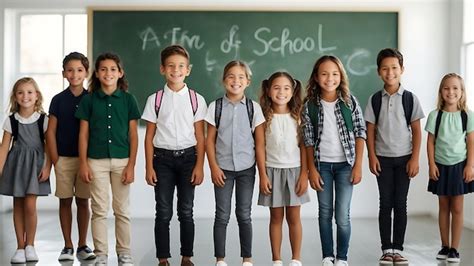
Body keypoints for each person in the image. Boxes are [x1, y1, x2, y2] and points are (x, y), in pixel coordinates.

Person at [142, 44, 207, 266]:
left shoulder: (196, 99)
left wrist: (200, 166)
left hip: (189, 159)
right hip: (162, 161)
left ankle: (186, 256)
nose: (176, 70)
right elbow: (149, 136)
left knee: (186, 210)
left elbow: (201, 135)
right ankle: (163, 258)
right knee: (163, 211)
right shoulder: (155, 99)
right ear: (162, 69)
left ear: (188, 70)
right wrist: (148, 167)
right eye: (171, 66)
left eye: (181, 66)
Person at [75, 52, 141, 266]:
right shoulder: (89, 100)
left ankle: (124, 252)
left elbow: (133, 135)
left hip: (122, 161)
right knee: (99, 209)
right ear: (96, 73)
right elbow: (83, 134)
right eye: (103, 69)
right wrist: (83, 163)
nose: (108, 73)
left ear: (120, 73)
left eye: (113, 69)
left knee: (122, 210)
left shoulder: (129, 100)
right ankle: (101, 253)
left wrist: (131, 165)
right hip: (96, 162)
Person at [301, 55, 366, 266]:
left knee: (342, 215)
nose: (330, 78)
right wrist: (312, 169)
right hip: (322, 167)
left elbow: (360, 132)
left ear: (341, 76)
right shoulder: (310, 105)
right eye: (324, 74)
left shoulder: (349, 102)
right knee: (325, 212)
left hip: (346, 166)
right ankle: (327, 256)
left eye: (335, 74)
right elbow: (308, 140)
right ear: (316, 77)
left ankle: (342, 257)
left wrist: (358, 166)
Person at [364, 48, 424, 265]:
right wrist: (371, 156)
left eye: (394, 68)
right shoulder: (374, 100)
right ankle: (386, 249)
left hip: (405, 159)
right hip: (383, 159)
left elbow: (417, 131)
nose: (390, 73)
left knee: (400, 203)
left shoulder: (410, 99)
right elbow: (369, 130)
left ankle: (397, 249)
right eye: (385, 69)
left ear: (402, 70)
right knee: (385, 203)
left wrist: (415, 159)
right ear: (379, 72)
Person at [205, 60, 265, 266]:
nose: (235, 81)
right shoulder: (216, 107)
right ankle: (220, 259)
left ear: (247, 82)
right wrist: (213, 167)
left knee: (244, 214)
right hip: (222, 169)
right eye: (231, 76)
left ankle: (247, 258)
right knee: (222, 215)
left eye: (241, 77)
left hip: (247, 169)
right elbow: (209, 141)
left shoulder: (253, 108)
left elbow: (260, 143)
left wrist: (263, 173)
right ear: (223, 81)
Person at [256, 71, 310, 266]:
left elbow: (304, 146)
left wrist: (304, 174)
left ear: (293, 90)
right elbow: (260, 147)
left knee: (294, 217)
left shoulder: (299, 115)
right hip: (272, 171)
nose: (281, 92)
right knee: (276, 217)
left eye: (286, 88)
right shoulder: (263, 117)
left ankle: (296, 258)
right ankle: (276, 259)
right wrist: (262, 175)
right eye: (276, 87)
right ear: (269, 91)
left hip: (295, 171)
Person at [46, 52, 96, 262]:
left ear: (86, 73)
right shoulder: (58, 100)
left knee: (83, 202)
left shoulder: (91, 99)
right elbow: (50, 131)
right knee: (65, 201)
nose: (74, 74)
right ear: (64, 73)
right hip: (64, 159)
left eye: (79, 70)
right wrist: (56, 159)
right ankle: (67, 245)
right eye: (70, 70)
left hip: (85, 161)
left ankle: (83, 244)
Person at [0, 77, 51, 264]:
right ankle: (20, 247)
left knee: (30, 205)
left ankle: (30, 245)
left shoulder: (44, 120)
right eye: (20, 92)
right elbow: (4, 147)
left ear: (36, 96)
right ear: (15, 96)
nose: (25, 96)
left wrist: (47, 166)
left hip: (35, 167)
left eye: (30, 92)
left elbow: (49, 146)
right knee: (18, 205)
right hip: (16, 167)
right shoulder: (11, 120)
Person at [425, 73, 474, 264]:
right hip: (440, 166)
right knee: (443, 206)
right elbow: (430, 143)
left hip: (460, 166)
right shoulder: (435, 115)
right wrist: (431, 164)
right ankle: (445, 246)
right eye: (446, 88)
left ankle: (455, 248)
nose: (451, 92)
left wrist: (470, 165)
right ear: (441, 91)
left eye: (455, 88)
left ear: (462, 92)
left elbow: (471, 142)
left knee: (458, 208)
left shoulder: (467, 116)